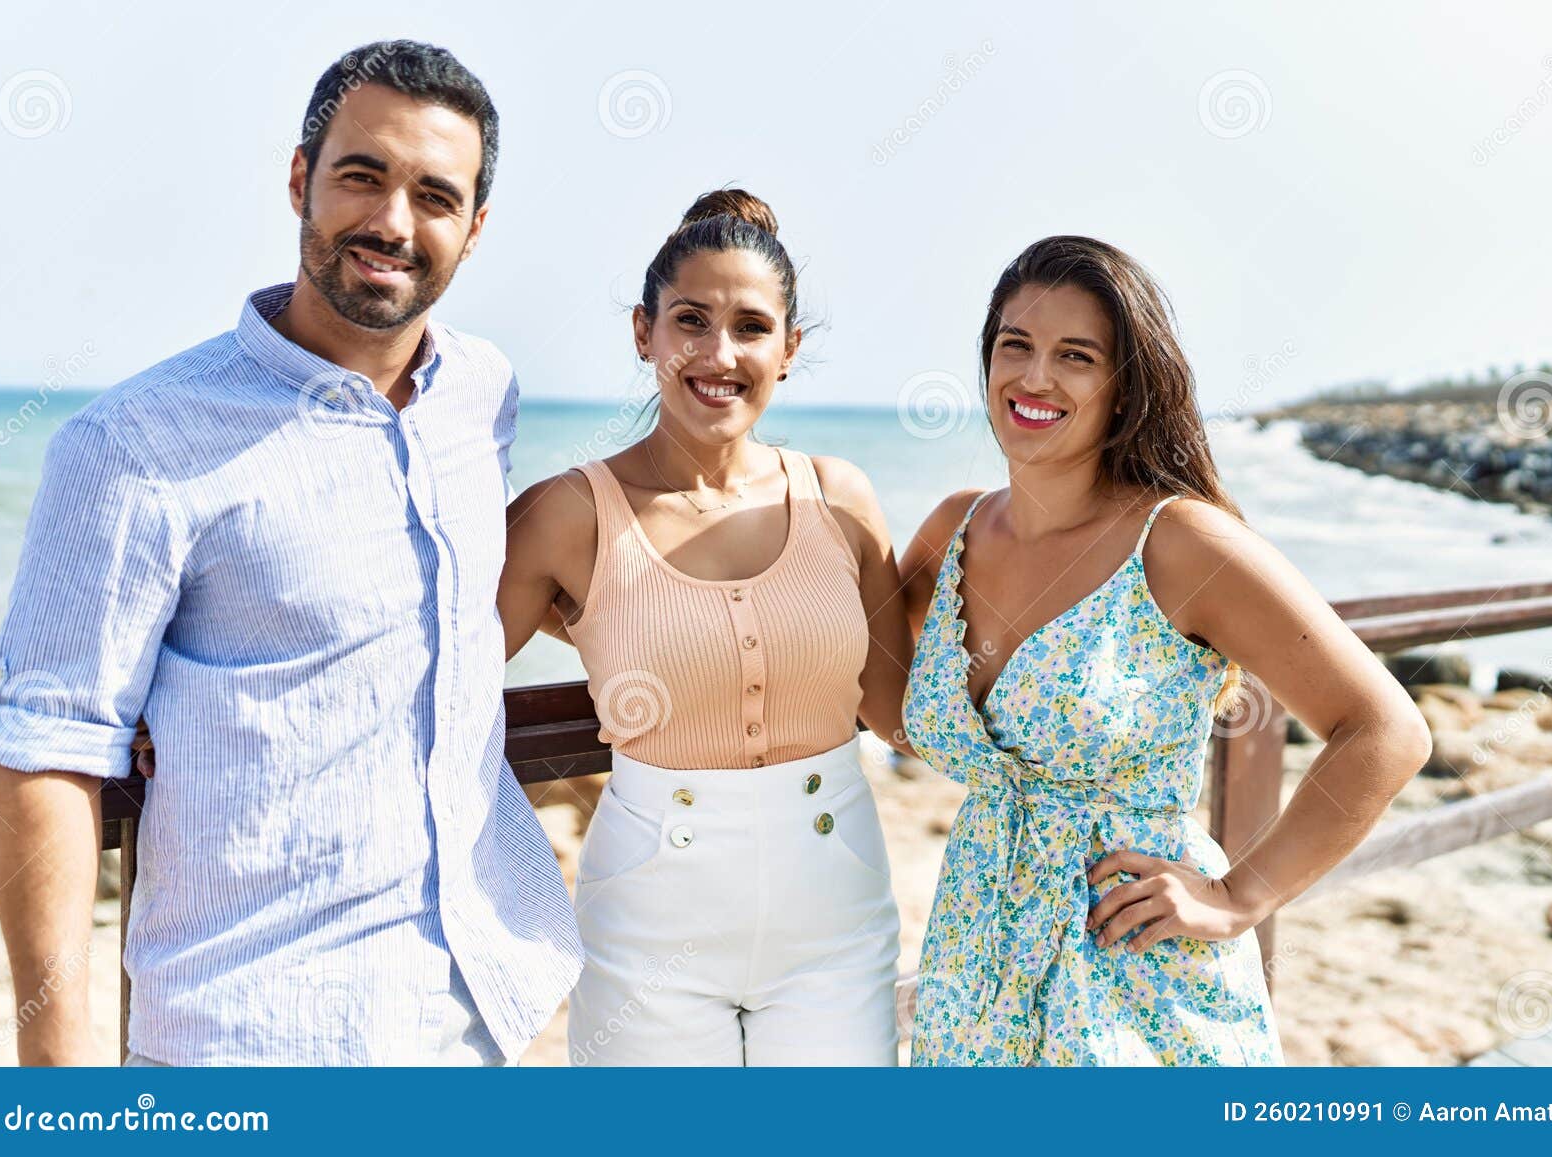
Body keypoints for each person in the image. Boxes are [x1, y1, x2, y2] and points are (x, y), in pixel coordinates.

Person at [0, 40, 581, 1067]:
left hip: (484, 1016)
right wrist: (55, 1065)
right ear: (301, 178)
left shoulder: (483, 393)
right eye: (363, 175)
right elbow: (47, 748)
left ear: (473, 230)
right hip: (250, 1041)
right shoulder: (131, 445)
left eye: (435, 195)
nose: (393, 222)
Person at [897, 235, 1433, 1065]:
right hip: (974, 963)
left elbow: (1385, 730)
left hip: (1135, 976)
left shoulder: (1178, 543)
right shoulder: (952, 531)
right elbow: (863, 679)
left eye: (1076, 356)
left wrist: (1238, 895)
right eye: (1016, 345)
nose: (1036, 378)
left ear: (1125, 387)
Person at [499, 189, 910, 1065]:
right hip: (650, 929)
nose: (719, 354)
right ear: (643, 333)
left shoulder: (841, 500)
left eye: (751, 327)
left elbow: (904, 709)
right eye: (691, 320)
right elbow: (430, 680)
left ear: (790, 350)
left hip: (837, 919)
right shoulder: (565, 516)